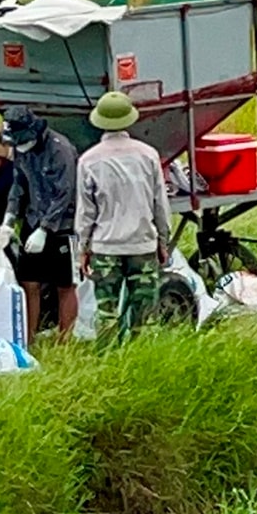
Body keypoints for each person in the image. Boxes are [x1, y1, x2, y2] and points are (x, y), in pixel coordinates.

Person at [75, 92, 171, 342]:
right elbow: (160, 204)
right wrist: (162, 241)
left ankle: (108, 365)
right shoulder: (148, 154)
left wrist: (83, 249)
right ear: (129, 120)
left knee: (107, 315)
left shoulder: (89, 160)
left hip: (106, 248)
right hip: (143, 246)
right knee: (146, 318)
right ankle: (143, 364)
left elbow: (86, 213)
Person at [0, 106, 82, 340]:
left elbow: (64, 193)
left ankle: (64, 340)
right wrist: (9, 217)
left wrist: (45, 229)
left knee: (64, 285)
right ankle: (29, 337)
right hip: (33, 219)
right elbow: (18, 184)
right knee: (29, 282)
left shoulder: (60, 150)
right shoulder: (20, 149)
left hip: (62, 224)